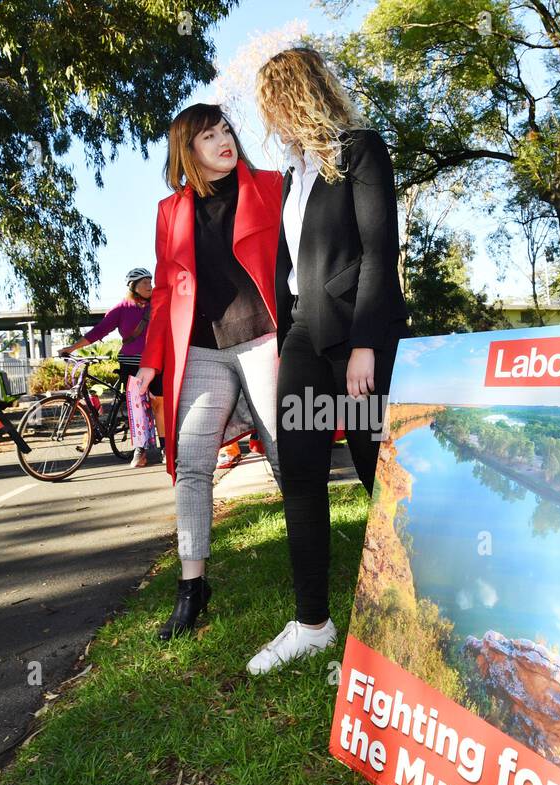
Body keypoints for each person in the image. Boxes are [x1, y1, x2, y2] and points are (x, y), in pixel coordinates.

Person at [249, 47, 410, 676]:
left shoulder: (360, 150)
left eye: (274, 104)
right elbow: (292, 265)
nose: (270, 119)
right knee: (302, 475)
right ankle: (312, 622)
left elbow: (378, 248)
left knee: (379, 475)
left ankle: (409, 615)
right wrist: (287, 331)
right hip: (303, 340)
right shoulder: (293, 172)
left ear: (298, 95)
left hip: (357, 341)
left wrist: (366, 343)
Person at [131, 104, 284, 642]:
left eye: (226, 130)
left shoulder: (269, 186)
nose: (223, 140)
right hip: (201, 349)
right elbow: (167, 290)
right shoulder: (170, 210)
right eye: (208, 136)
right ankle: (192, 586)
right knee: (191, 464)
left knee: (285, 454)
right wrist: (152, 363)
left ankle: (305, 563)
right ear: (186, 151)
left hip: (264, 337)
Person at [59, 267, 163, 467]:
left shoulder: (159, 304)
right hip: (130, 364)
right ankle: (139, 451)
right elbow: (98, 332)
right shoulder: (122, 308)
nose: (149, 285)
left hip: (156, 363)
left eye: (150, 281)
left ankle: (166, 447)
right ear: (133, 287)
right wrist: (72, 347)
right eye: (144, 282)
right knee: (137, 405)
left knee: (159, 403)